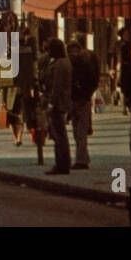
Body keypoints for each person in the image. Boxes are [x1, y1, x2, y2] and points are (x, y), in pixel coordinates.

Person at [43, 38, 73, 174]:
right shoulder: (64, 62)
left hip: (58, 103)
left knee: (58, 134)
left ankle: (62, 164)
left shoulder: (60, 64)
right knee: (59, 134)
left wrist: (51, 103)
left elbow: (57, 86)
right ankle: (62, 163)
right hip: (61, 102)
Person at [67, 40, 99, 169]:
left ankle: (81, 159)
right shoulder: (86, 63)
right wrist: (87, 94)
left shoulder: (70, 63)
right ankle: (83, 157)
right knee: (80, 130)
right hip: (82, 99)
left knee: (79, 131)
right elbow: (93, 81)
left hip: (76, 99)